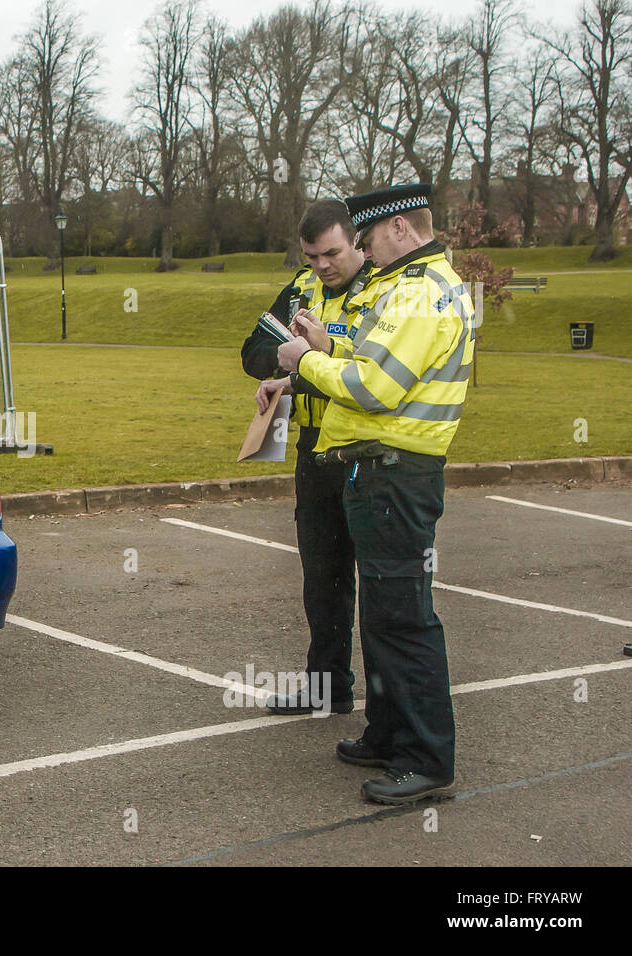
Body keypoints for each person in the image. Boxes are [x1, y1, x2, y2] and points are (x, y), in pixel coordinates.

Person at [276, 183, 474, 804]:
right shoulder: (419, 285)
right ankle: (389, 734)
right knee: (385, 616)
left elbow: (375, 388)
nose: (362, 250)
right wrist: (327, 345)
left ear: (400, 230)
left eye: (366, 239)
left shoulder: (418, 291)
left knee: (404, 618)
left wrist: (302, 361)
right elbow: (370, 363)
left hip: (395, 472)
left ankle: (424, 756)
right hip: (381, 470)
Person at [241, 199, 368, 716]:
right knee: (322, 576)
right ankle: (328, 686)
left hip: (364, 451)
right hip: (314, 448)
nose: (322, 266)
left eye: (332, 253)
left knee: (380, 583)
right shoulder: (301, 289)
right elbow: (251, 352)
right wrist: (287, 351)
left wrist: (318, 354)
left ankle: (390, 704)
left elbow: (381, 371)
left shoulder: (380, 291)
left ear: (356, 242)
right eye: (312, 256)